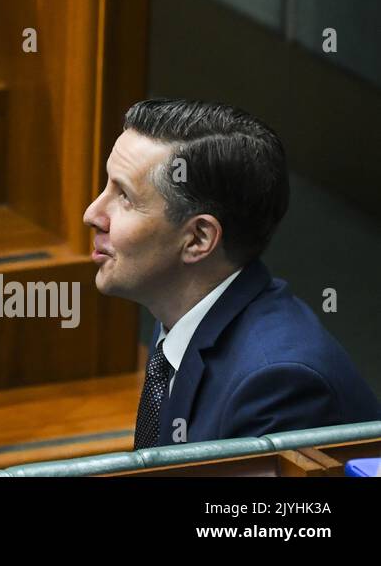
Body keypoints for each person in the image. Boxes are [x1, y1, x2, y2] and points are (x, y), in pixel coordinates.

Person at [84, 98, 379, 449]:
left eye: (126, 198)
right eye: (107, 187)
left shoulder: (278, 386)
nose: (92, 213)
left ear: (198, 239)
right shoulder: (182, 314)